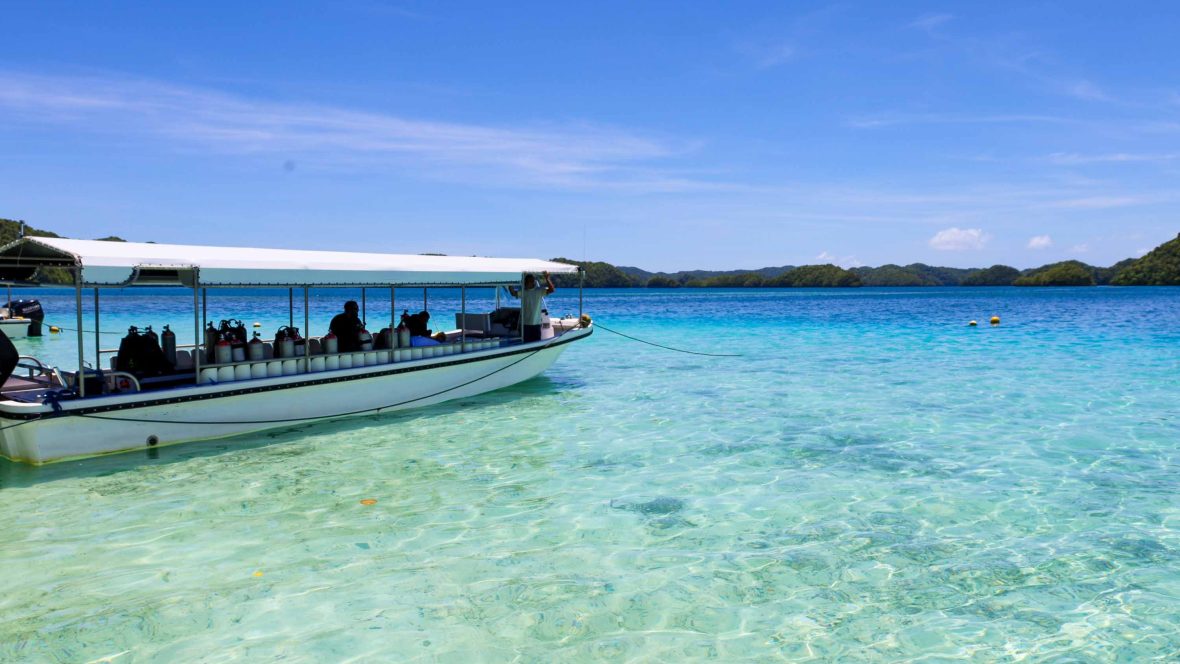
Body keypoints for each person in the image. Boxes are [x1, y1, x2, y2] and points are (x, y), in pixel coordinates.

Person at [509, 271, 554, 342]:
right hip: (525, 323)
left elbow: (551, 290)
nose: (526, 283)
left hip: (536, 323)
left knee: (536, 343)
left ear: (532, 282)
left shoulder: (539, 291)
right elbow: (513, 293)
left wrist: (547, 278)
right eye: (526, 281)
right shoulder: (523, 291)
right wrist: (509, 282)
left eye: (528, 281)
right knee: (525, 343)